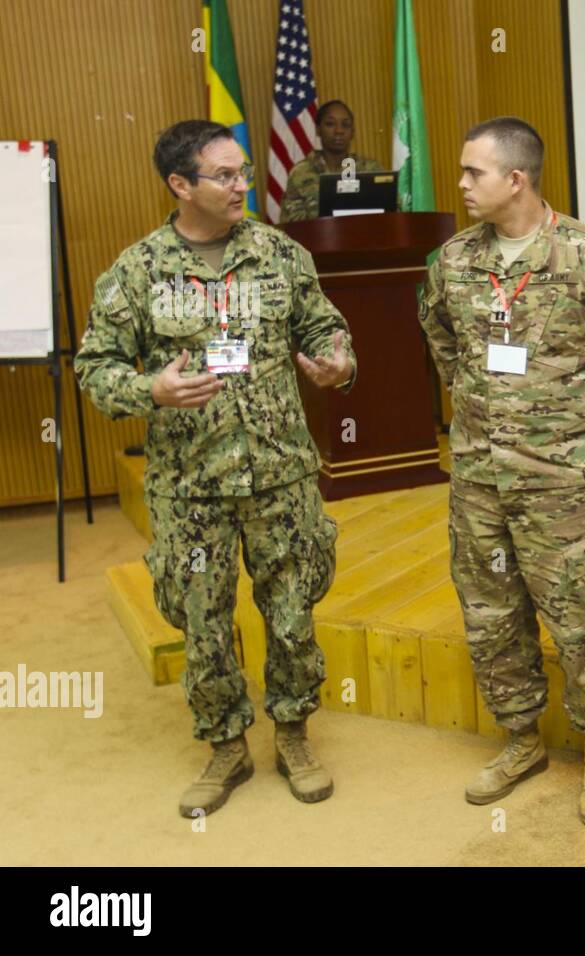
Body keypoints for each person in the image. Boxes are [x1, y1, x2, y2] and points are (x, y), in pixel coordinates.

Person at [75, 119, 357, 818]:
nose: (242, 186)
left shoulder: (279, 253)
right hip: (190, 484)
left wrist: (338, 361)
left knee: (292, 614)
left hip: (280, 474)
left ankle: (293, 733)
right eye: (225, 176)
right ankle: (226, 744)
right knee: (202, 621)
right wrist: (151, 391)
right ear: (180, 185)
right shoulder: (137, 271)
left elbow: (322, 325)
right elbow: (95, 367)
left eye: (242, 172)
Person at [418, 116, 585, 825]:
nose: (462, 184)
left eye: (474, 173)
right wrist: (478, 407)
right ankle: (521, 737)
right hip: (478, 476)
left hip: (563, 481)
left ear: (516, 179)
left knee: (577, 617)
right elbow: (437, 333)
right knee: (492, 614)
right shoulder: (455, 260)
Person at [279, 100, 383, 222]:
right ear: (318, 130)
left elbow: (391, 212)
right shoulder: (300, 173)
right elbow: (290, 225)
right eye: (330, 124)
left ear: (352, 132)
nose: (339, 131)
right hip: (315, 239)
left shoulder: (370, 170)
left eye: (345, 125)